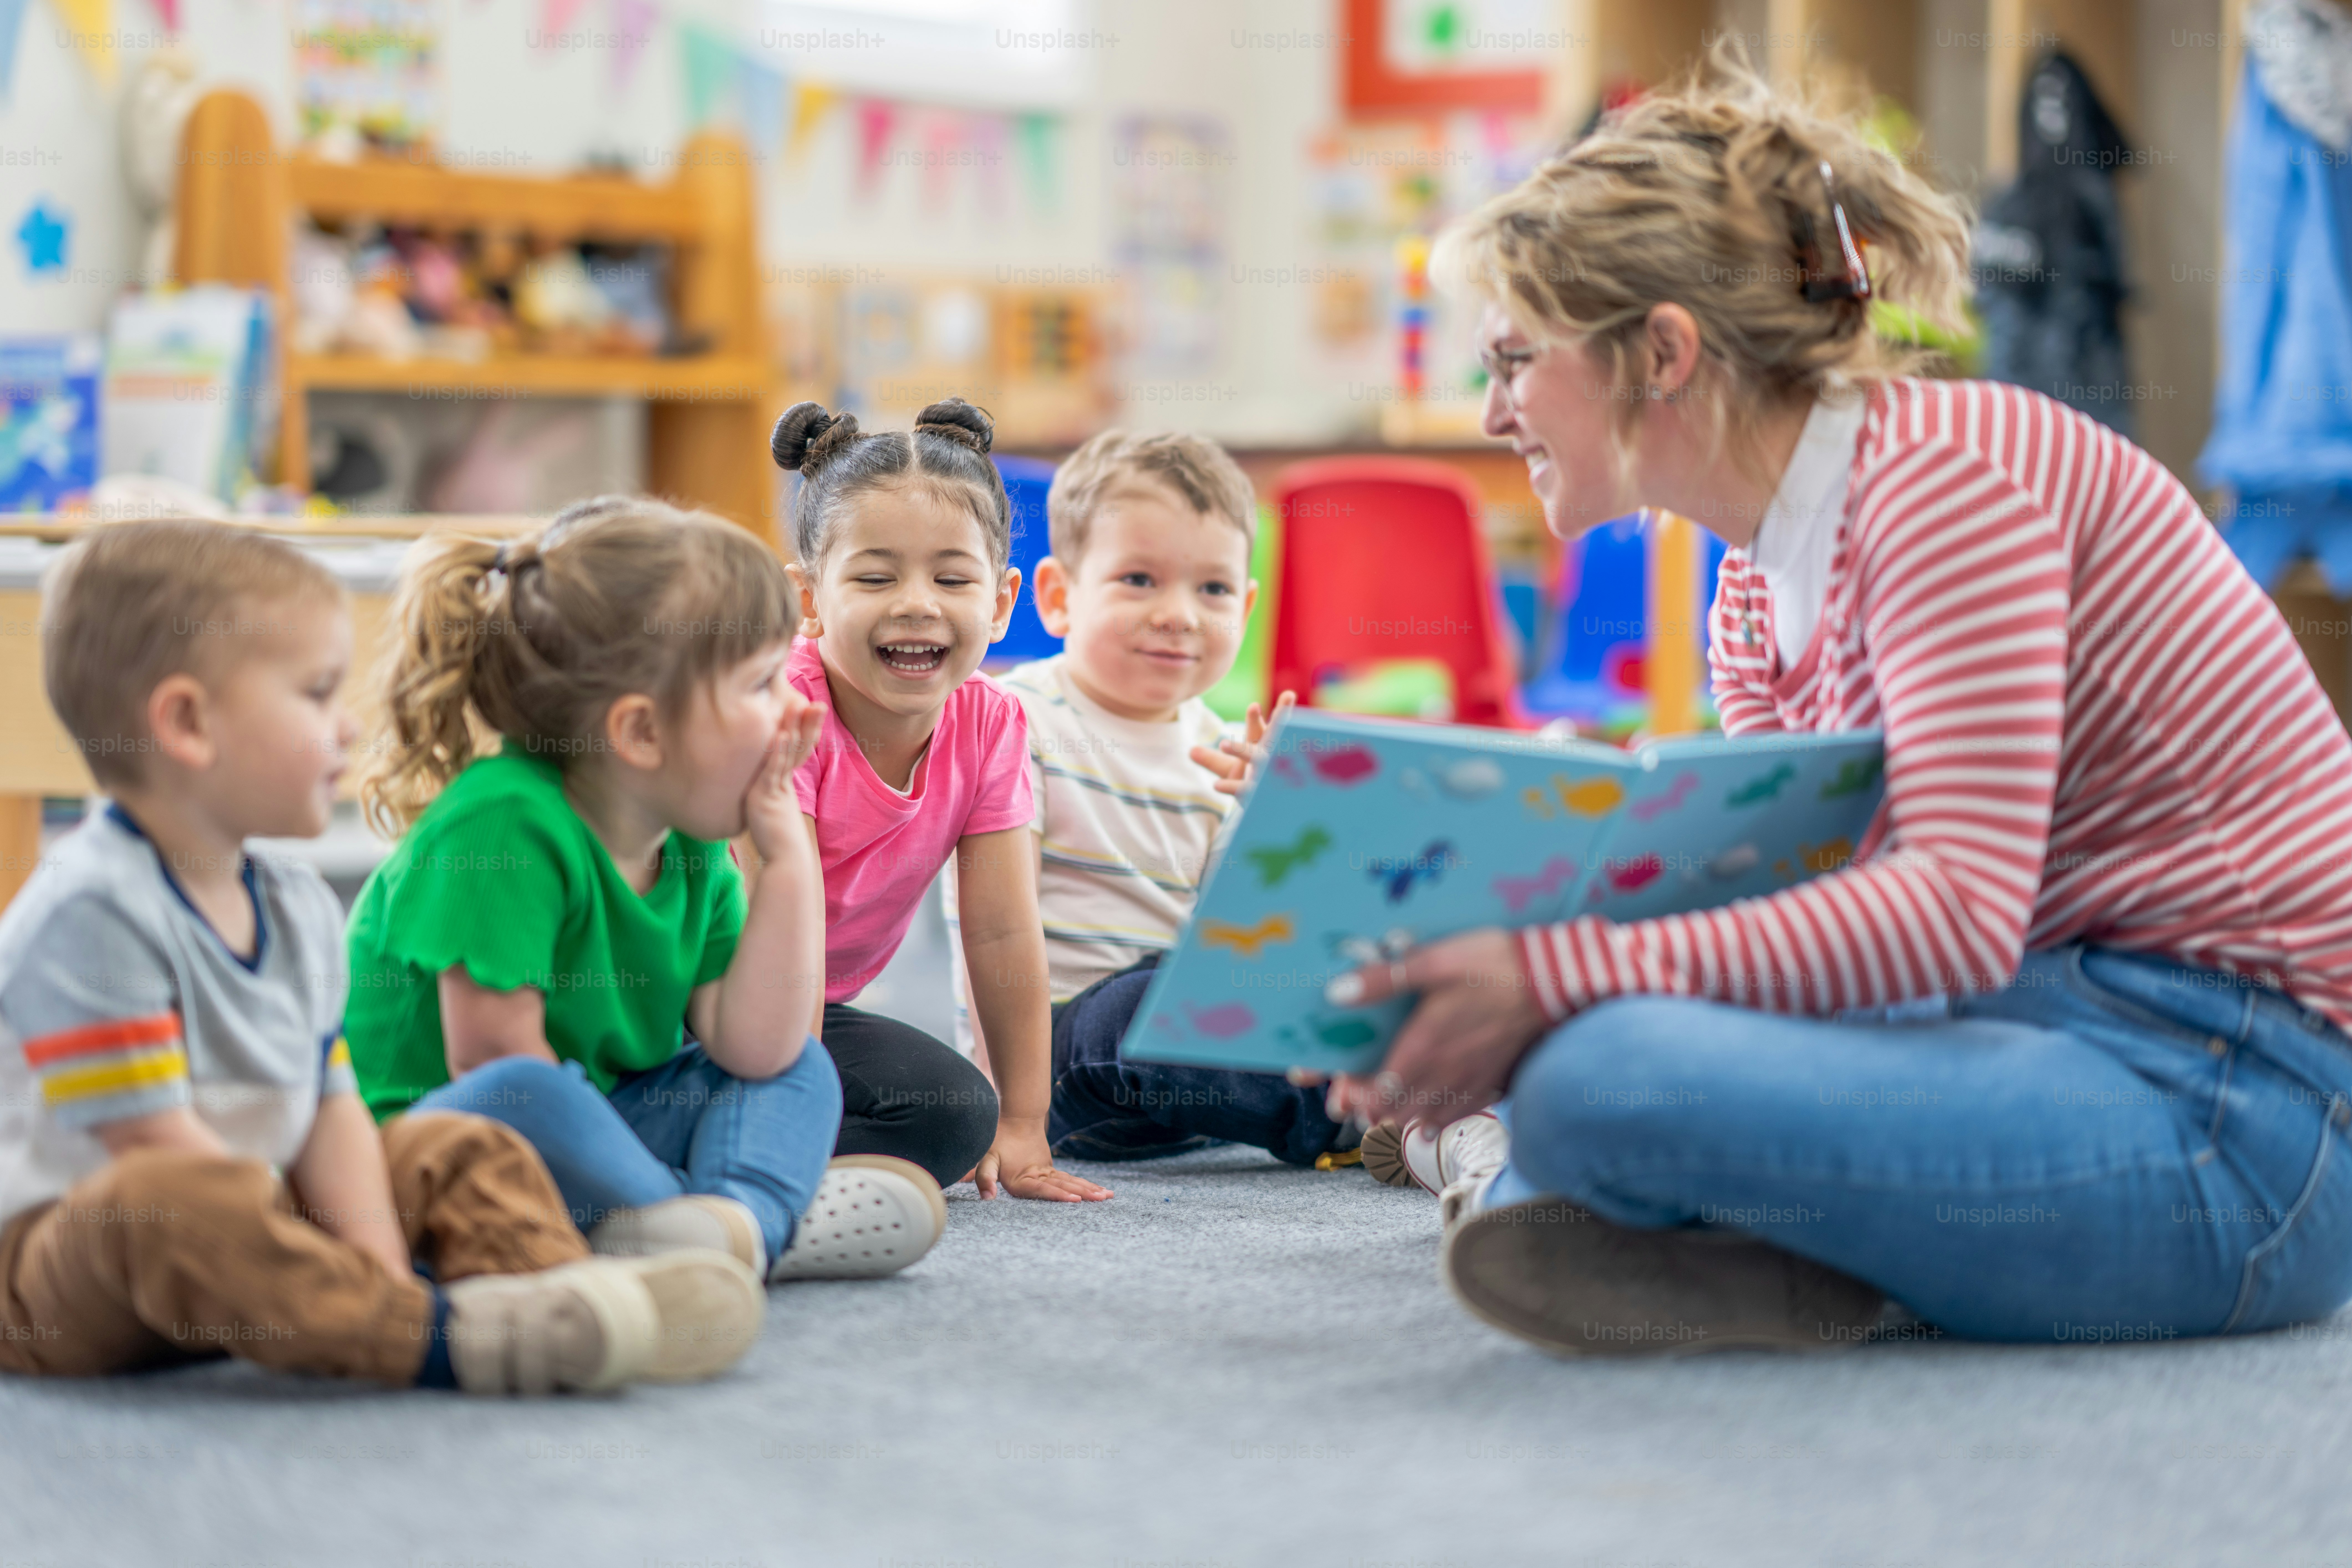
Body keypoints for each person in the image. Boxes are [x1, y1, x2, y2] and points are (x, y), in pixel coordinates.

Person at [1325, 58, 2352, 1356]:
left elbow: (1953, 914)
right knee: (1581, 1062)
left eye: (1517, 361)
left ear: (1661, 349)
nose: (1490, 411)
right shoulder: (1752, 579)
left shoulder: (1946, 486)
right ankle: (1807, 1245)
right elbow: (1785, 905)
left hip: (2244, 1115)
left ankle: (1760, 1233)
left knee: (1597, 1082)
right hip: (2027, 1024)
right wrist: (1473, 989)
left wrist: (1548, 984)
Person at [0, 520, 763, 1396]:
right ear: (187, 725)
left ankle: (565, 1299)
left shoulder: (289, 901)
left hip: (263, 1216)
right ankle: (442, 1339)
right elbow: (155, 1150)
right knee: (177, 1200)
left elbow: (330, 1113)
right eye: (318, 694)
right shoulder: (91, 910)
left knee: (455, 1146)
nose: (348, 725)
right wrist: (377, 1293)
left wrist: (379, 1259)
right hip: (67, 1270)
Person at [345, 497, 947, 1286]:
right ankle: (717, 1227)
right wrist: (647, 1179)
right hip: (442, 1152)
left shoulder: (693, 836)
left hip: (601, 1133)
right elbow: (489, 1060)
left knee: (797, 1068)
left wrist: (789, 861)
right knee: (525, 1084)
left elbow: (753, 1048)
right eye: (762, 682)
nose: (799, 706)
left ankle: (728, 1225)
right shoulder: (501, 821)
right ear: (641, 734)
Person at [942, 429, 1347, 1166]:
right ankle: (1354, 1112)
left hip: (1190, 1069)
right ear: (1059, 598)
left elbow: (1249, 939)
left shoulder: (1225, 749)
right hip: (1059, 1065)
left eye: (1213, 589)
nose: (1179, 614)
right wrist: (1009, 1105)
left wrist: (1278, 826)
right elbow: (990, 928)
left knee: (1318, 962)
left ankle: (1397, 1084)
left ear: (1246, 607)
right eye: (1139, 580)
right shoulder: (1009, 718)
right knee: (1148, 1003)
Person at [771, 397, 1110, 1203]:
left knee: (956, 1115)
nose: (917, 602)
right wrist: (781, 1096)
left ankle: (735, 1146)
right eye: (875, 576)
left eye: (951, 578)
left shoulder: (990, 721)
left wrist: (1025, 1123)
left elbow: (1000, 929)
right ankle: (730, 1156)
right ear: (812, 597)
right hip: (688, 994)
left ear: (999, 602)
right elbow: (774, 921)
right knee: (758, 1088)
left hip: (807, 1013)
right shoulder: (783, 707)